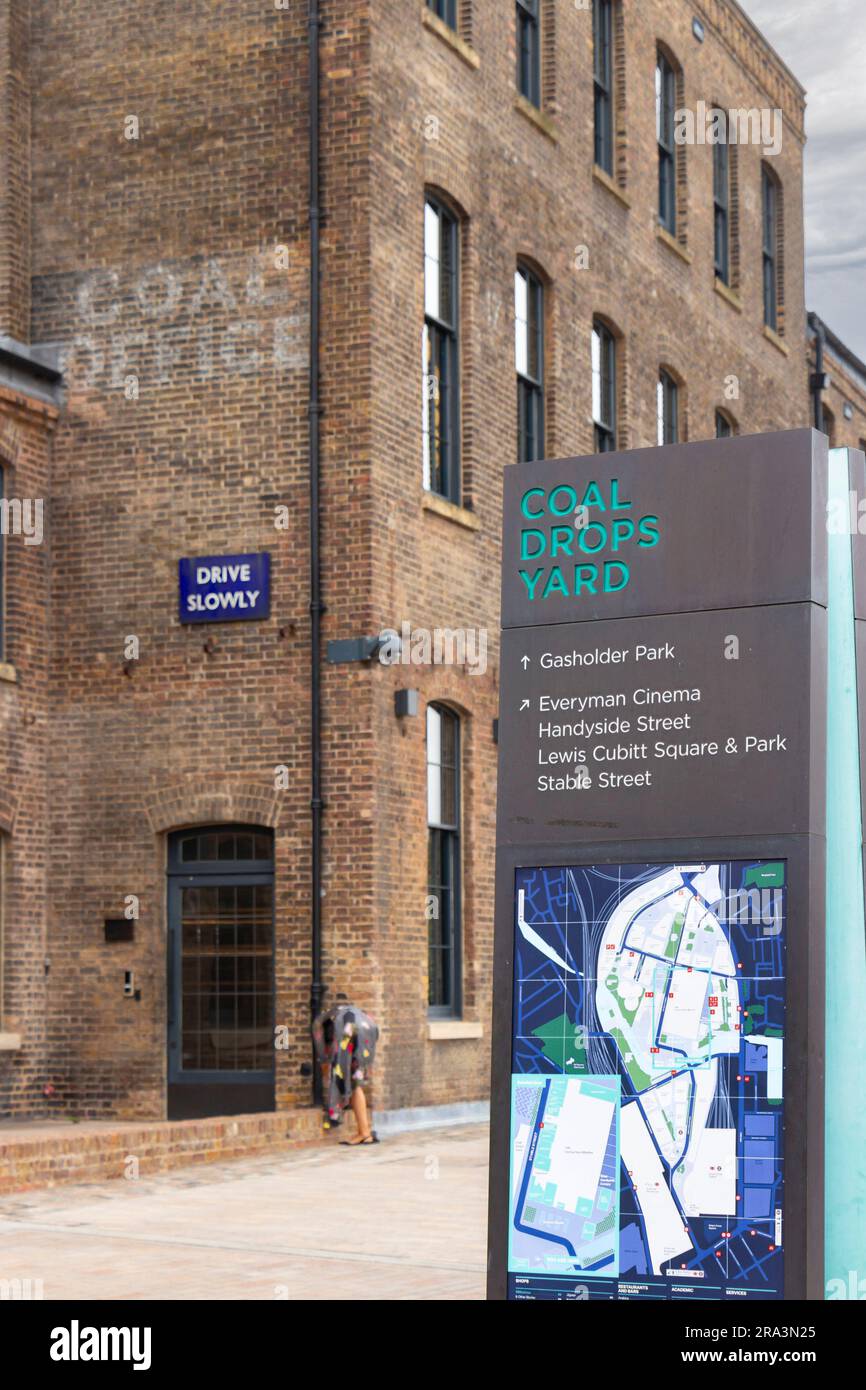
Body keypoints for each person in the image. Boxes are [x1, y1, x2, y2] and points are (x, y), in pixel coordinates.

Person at [312, 1002, 379, 1145]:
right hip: (369, 1027)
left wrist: (323, 1060)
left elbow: (324, 1056)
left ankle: (363, 1132)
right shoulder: (339, 1013)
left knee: (349, 1082)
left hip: (350, 1028)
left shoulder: (318, 1024)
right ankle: (365, 1133)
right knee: (354, 1082)